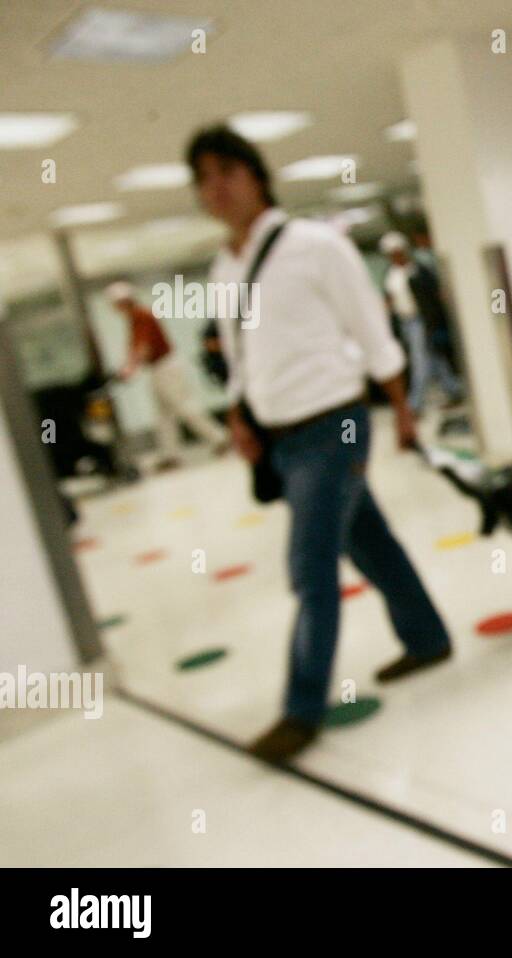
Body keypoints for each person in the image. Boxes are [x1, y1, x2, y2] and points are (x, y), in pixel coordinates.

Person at [185, 125, 453, 763]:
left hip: (334, 426)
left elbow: (372, 328)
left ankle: (302, 708)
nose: (215, 187)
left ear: (256, 175)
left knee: (310, 570)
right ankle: (428, 639)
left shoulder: (314, 246)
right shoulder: (225, 265)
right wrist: (239, 415)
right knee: (371, 545)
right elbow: (242, 353)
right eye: (203, 179)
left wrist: (401, 408)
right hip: (280, 437)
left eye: (226, 171)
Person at [106, 281, 228, 471]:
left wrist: (129, 370)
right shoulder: (135, 319)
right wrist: (128, 367)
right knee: (163, 414)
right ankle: (171, 455)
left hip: (166, 367)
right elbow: (137, 350)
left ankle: (220, 438)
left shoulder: (142, 316)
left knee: (185, 406)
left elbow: (143, 348)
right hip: (156, 369)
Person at [379, 231, 463, 413]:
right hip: (405, 323)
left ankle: (414, 405)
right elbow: (390, 296)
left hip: (422, 321)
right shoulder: (391, 274)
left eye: (397, 252)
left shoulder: (418, 270)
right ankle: (454, 390)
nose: (395, 256)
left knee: (419, 361)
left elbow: (434, 295)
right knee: (434, 359)